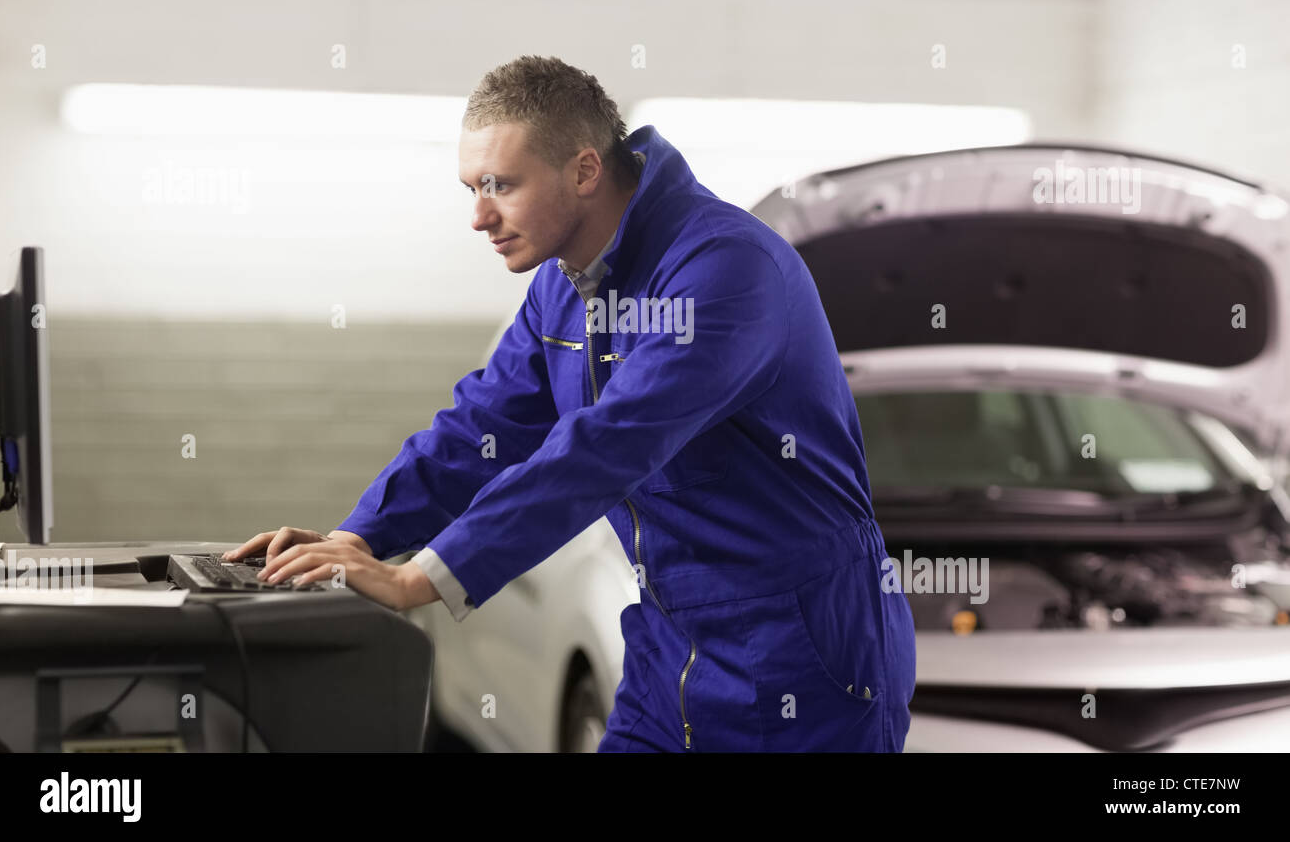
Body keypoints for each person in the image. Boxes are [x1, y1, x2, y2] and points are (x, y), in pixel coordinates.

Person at [226, 55, 916, 752]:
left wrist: (423, 577)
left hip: (800, 650)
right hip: (665, 642)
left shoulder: (726, 270)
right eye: (472, 188)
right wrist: (359, 537)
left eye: (500, 186)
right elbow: (479, 428)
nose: (478, 217)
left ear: (584, 171)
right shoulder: (562, 289)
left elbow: (609, 444)